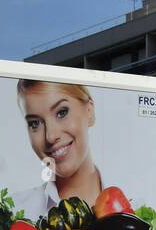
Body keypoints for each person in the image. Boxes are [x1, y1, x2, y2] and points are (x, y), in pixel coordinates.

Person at [10, 80, 103, 220]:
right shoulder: (15, 211)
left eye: (62, 112)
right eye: (35, 123)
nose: (50, 136)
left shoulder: (137, 204)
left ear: (89, 111)